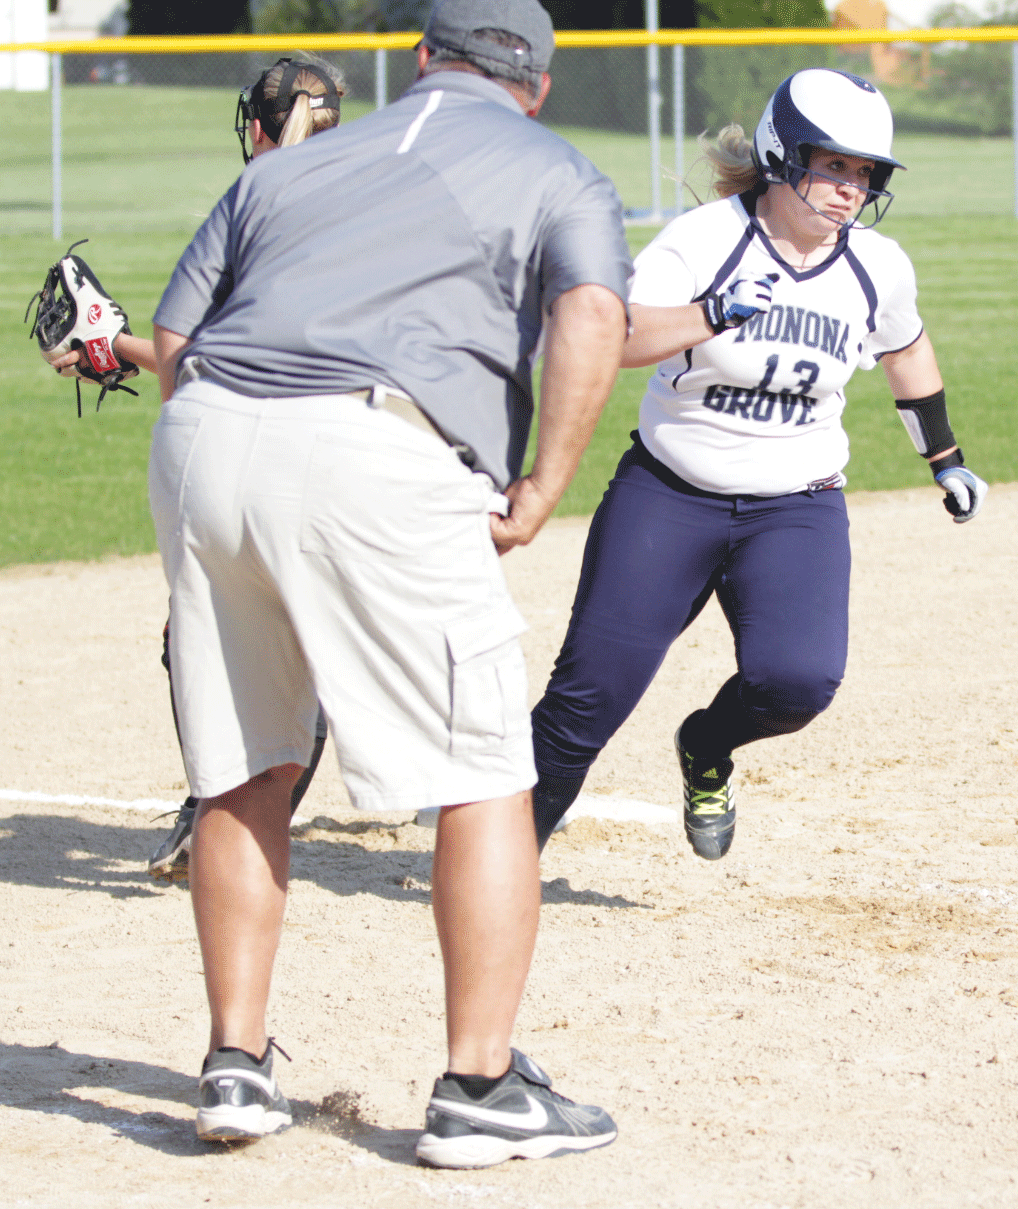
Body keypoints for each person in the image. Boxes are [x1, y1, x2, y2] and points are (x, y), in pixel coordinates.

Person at [148, 0, 631, 1168]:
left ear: (420, 61)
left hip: (207, 438)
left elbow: (172, 346)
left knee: (246, 763)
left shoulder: (290, 167)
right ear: (537, 85)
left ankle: (236, 1066)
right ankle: (480, 1084)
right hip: (376, 449)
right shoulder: (559, 168)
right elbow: (592, 313)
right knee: (480, 771)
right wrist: (541, 484)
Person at [530, 68, 988, 861]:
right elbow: (614, 337)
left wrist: (945, 457)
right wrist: (709, 311)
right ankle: (501, 854)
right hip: (671, 494)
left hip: (794, 506)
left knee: (797, 682)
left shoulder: (878, 266)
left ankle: (707, 745)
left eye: (864, 173)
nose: (851, 189)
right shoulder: (705, 240)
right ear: (783, 154)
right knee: (587, 697)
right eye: (833, 165)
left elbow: (905, 349)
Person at [44, 55, 345, 882]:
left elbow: (194, 363)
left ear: (259, 127)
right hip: (353, 453)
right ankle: (247, 802)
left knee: (207, 630)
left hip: (257, 455)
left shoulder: (249, 206)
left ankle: (221, 806)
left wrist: (107, 344)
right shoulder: (361, 201)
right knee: (310, 629)